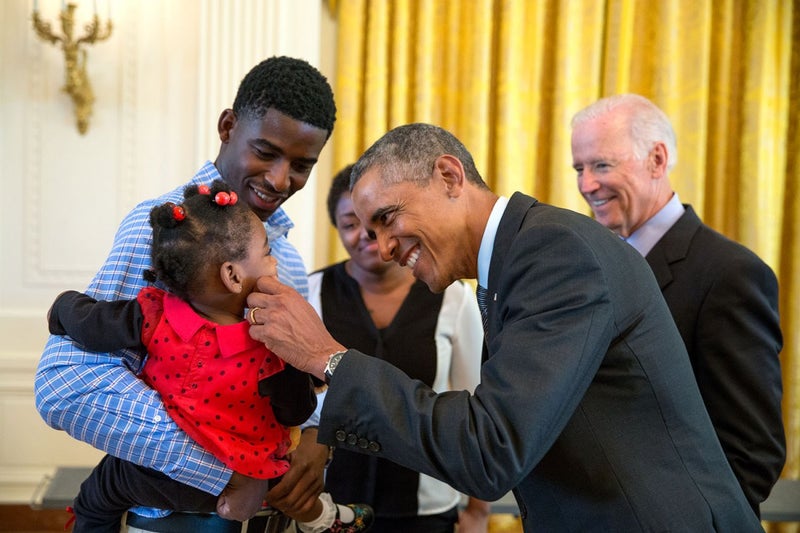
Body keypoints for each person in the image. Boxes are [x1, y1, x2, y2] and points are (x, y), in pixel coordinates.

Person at [244, 122, 764, 532]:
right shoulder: (516, 259)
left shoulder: (556, 252)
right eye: (366, 229)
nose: (381, 249)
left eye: (388, 218)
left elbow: (490, 448)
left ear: (449, 177)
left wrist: (329, 359)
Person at [35, 56, 339, 530]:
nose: (281, 180)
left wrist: (318, 434)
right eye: (265, 151)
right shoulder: (164, 233)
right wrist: (230, 472)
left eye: (302, 166)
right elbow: (65, 385)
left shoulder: (289, 260)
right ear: (227, 126)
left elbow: (296, 381)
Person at [47, 181, 373, 533]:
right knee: (287, 479)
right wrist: (299, 369)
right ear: (233, 276)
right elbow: (296, 412)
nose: (275, 261)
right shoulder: (268, 347)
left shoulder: (153, 316)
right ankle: (324, 518)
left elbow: (94, 325)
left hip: (164, 477)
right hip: (246, 473)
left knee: (100, 491)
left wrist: (63, 308)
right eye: (267, 253)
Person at [569, 93, 785, 516]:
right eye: (579, 168)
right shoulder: (589, 265)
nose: (586, 185)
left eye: (602, 166)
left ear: (657, 159)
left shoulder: (730, 274)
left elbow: (752, 455)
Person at [310, 165, 490, 532]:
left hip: (426, 509)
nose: (365, 235)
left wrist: (478, 511)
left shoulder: (451, 296)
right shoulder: (312, 292)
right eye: (350, 224)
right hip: (329, 506)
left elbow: (477, 404)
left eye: (376, 222)